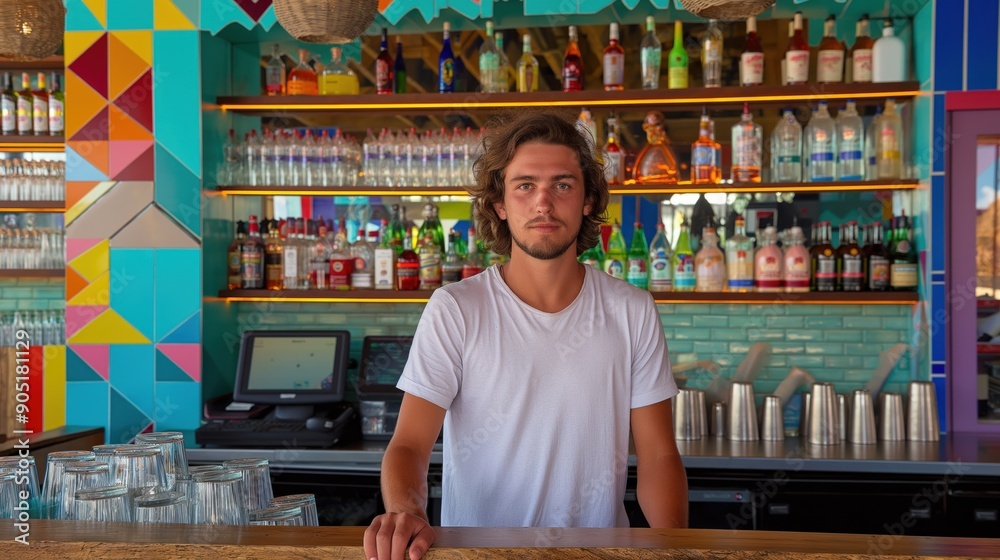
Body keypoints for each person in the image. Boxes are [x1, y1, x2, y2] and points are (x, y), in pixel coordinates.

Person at [363, 111, 688, 560]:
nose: (543, 203)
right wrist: (405, 511)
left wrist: (675, 547)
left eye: (562, 184)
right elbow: (409, 446)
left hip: (598, 553)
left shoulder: (631, 310)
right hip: (476, 555)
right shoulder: (456, 308)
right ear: (499, 203)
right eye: (524, 185)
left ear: (589, 200)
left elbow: (658, 456)